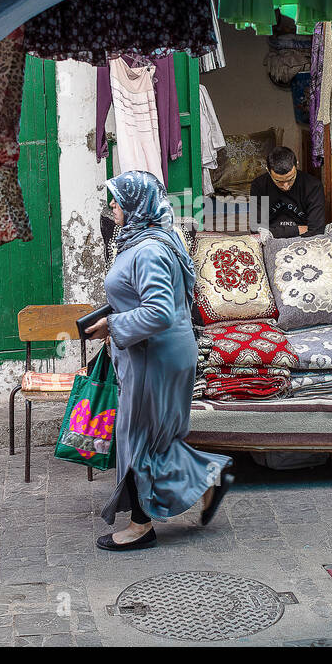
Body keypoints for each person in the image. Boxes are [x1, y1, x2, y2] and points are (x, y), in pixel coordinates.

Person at [84, 170, 234, 550]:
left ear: (138, 205)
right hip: (156, 352)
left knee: (135, 439)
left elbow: (158, 312)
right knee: (151, 437)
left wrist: (111, 325)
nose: (113, 205)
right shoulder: (149, 238)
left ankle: (140, 525)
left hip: (156, 354)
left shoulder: (149, 249)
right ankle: (208, 477)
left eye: (118, 198)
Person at [249, 146, 326, 239]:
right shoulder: (259, 186)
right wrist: (296, 230)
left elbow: (317, 230)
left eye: (290, 179)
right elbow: (257, 230)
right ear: (268, 171)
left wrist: (272, 232)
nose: (286, 186)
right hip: (272, 241)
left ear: (297, 165)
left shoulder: (313, 186)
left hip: (305, 239)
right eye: (279, 181)